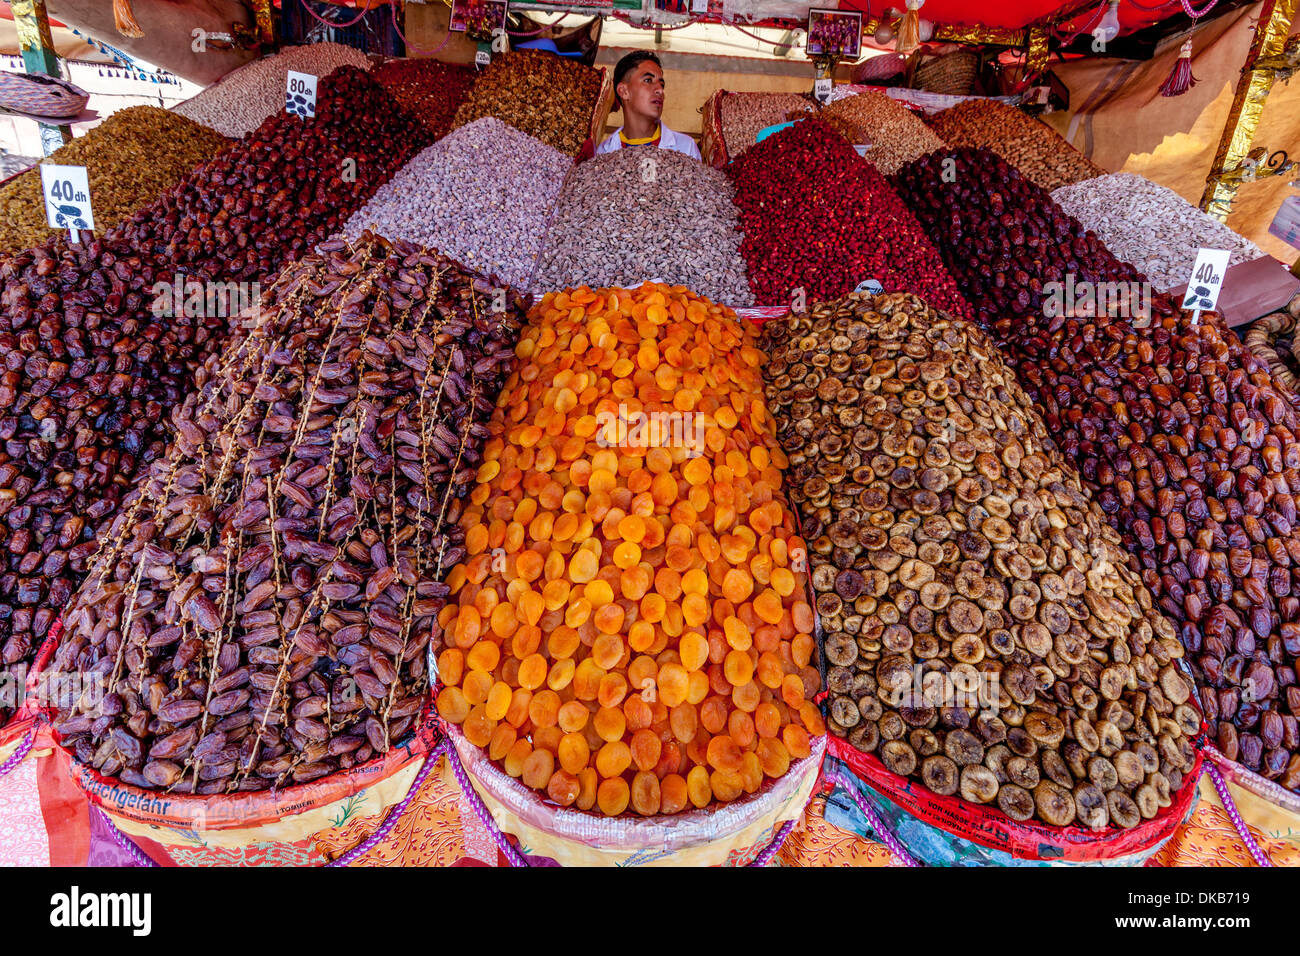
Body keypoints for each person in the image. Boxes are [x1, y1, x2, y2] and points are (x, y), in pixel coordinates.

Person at [594, 50, 701, 161]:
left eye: (662, 84)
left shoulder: (686, 148)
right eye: (648, 80)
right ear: (624, 91)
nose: (660, 90)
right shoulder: (604, 153)